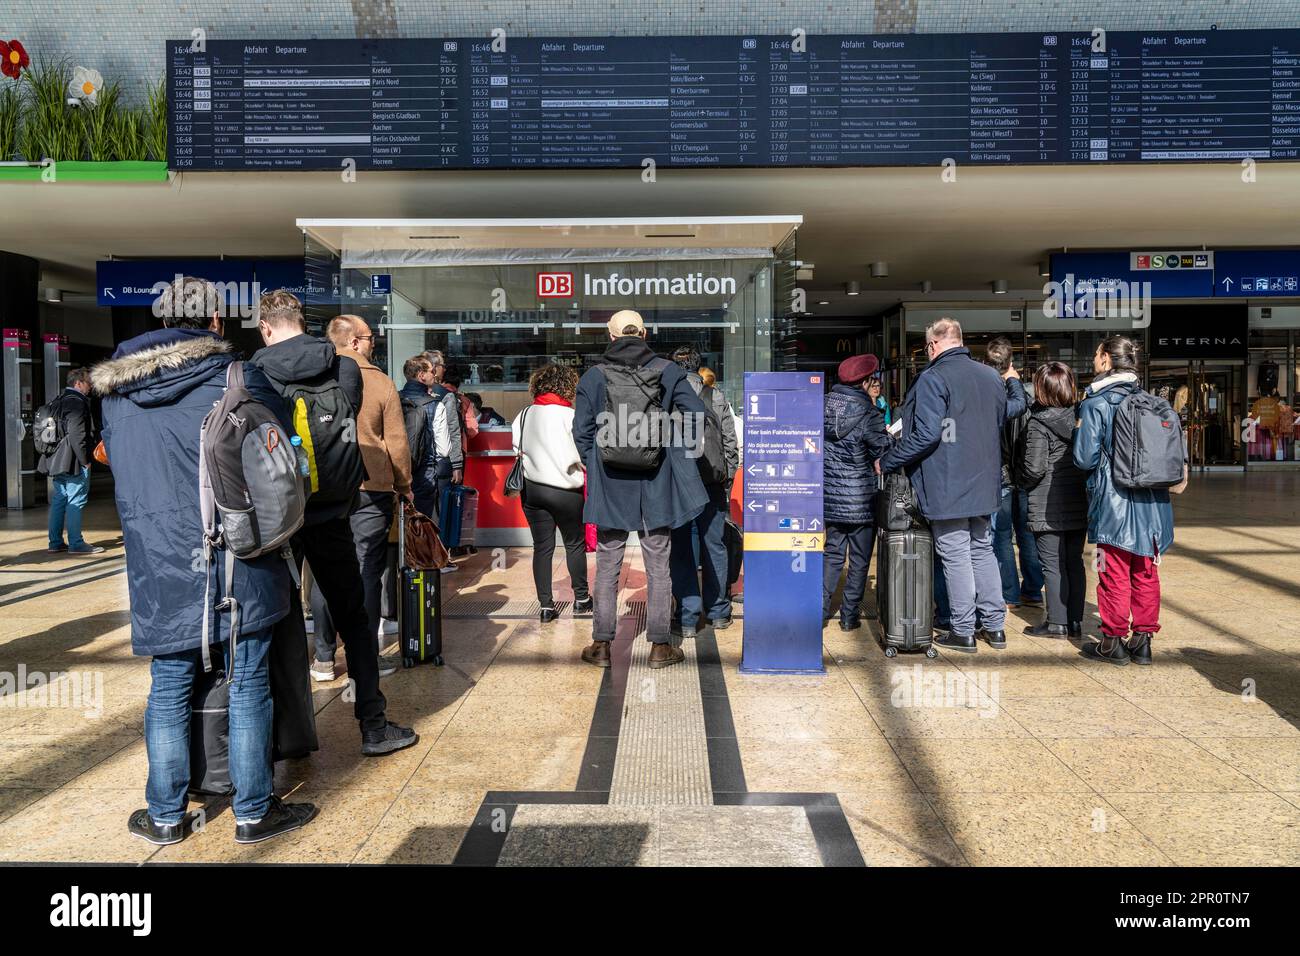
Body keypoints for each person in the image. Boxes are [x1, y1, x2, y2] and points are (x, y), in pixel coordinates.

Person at [94, 275, 316, 846]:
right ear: (217, 323)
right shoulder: (241, 378)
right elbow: (278, 460)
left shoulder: (117, 395)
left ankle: (166, 816)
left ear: (157, 322)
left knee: (168, 686)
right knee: (247, 681)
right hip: (238, 555)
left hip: (159, 563)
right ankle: (252, 813)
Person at [250, 290, 417, 756]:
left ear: (266, 326)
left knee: (275, 617)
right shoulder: (342, 366)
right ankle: (374, 725)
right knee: (355, 618)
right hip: (333, 510)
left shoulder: (254, 372)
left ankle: (282, 735)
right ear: (302, 321)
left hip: (279, 515)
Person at [573, 310, 710, 670]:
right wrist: (677, 452)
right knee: (658, 565)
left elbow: (581, 430)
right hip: (656, 481)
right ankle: (661, 647)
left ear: (610, 335)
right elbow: (696, 411)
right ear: (644, 333)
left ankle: (602, 645)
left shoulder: (592, 375)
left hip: (610, 483)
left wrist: (597, 459)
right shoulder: (668, 370)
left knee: (606, 565)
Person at [879, 317, 1025, 653]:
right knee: (982, 549)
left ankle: (963, 629)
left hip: (948, 481)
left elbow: (927, 434)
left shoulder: (933, 378)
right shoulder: (990, 376)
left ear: (932, 345)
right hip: (986, 480)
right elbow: (1005, 415)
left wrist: (889, 460)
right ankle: (995, 626)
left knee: (955, 553)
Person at [307, 315, 413, 681]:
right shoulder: (380, 382)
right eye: (369, 338)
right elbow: (397, 443)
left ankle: (322, 657)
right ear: (353, 342)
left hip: (322, 487)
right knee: (366, 570)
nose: (373, 344)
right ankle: (363, 657)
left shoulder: (312, 378)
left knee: (323, 571)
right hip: (372, 487)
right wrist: (403, 484)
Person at [1074, 335, 1173, 665]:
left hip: (1112, 503)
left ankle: (1112, 641)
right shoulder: (1154, 403)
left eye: (1097, 354)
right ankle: (1143, 642)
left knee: (1112, 571)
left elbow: (1085, 458)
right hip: (1153, 504)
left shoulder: (1096, 404)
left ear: (1105, 359)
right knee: (1145, 571)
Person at [668, 345, 740, 636]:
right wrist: (728, 476)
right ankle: (719, 611)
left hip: (678, 484)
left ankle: (687, 617)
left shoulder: (667, 396)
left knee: (681, 548)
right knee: (715, 546)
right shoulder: (715, 394)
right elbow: (729, 442)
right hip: (712, 483)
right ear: (699, 366)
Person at [512, 364, 591, 623]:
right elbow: (584, 453)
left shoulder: (524, 415)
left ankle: (546, 606)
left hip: (533, 491)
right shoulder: (571, 417)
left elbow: (516, 448)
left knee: (542, 547)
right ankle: (581, 599)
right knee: (574, 544)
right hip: (568, 491)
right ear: (567, 386)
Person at [1017, 362, 1088, 639]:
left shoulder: (1038, 423)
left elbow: (1033, 468)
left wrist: (1021, 480)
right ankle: (1075, 622)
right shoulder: (1080, 417)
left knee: (1052, 565)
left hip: (1047, 504)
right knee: (1074, 562)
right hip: (1077, 500)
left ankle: (1057, 623)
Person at [822, 354, 891, 630]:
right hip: (862, 499)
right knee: (860, 560)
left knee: (832, 554)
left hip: (832, 498)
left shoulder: (823, 406)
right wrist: (887, 437)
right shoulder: (869, 413)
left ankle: (820, 609)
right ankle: (849, 617)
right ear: (864, 382)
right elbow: (882, 451)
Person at [983, 336, 1044, 609]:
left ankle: (1009, 593)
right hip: (1029, 474)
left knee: (1002, 536)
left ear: (988, 362)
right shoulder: (1029, 394)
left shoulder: (989, 394)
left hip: (1003, 474)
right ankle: (1032, 589)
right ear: (1012, 363)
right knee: (1028, 534)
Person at [39, 366, 104, 554]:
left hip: (56, 459)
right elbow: (77, 434)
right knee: (76, 499)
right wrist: (85, 460)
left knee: (59, 499)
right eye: (88, 383)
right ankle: (76, 543)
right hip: (73, 461)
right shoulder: (77, 402)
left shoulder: (57, 401)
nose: (90, 387)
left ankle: (55, 542)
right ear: (78, 383)